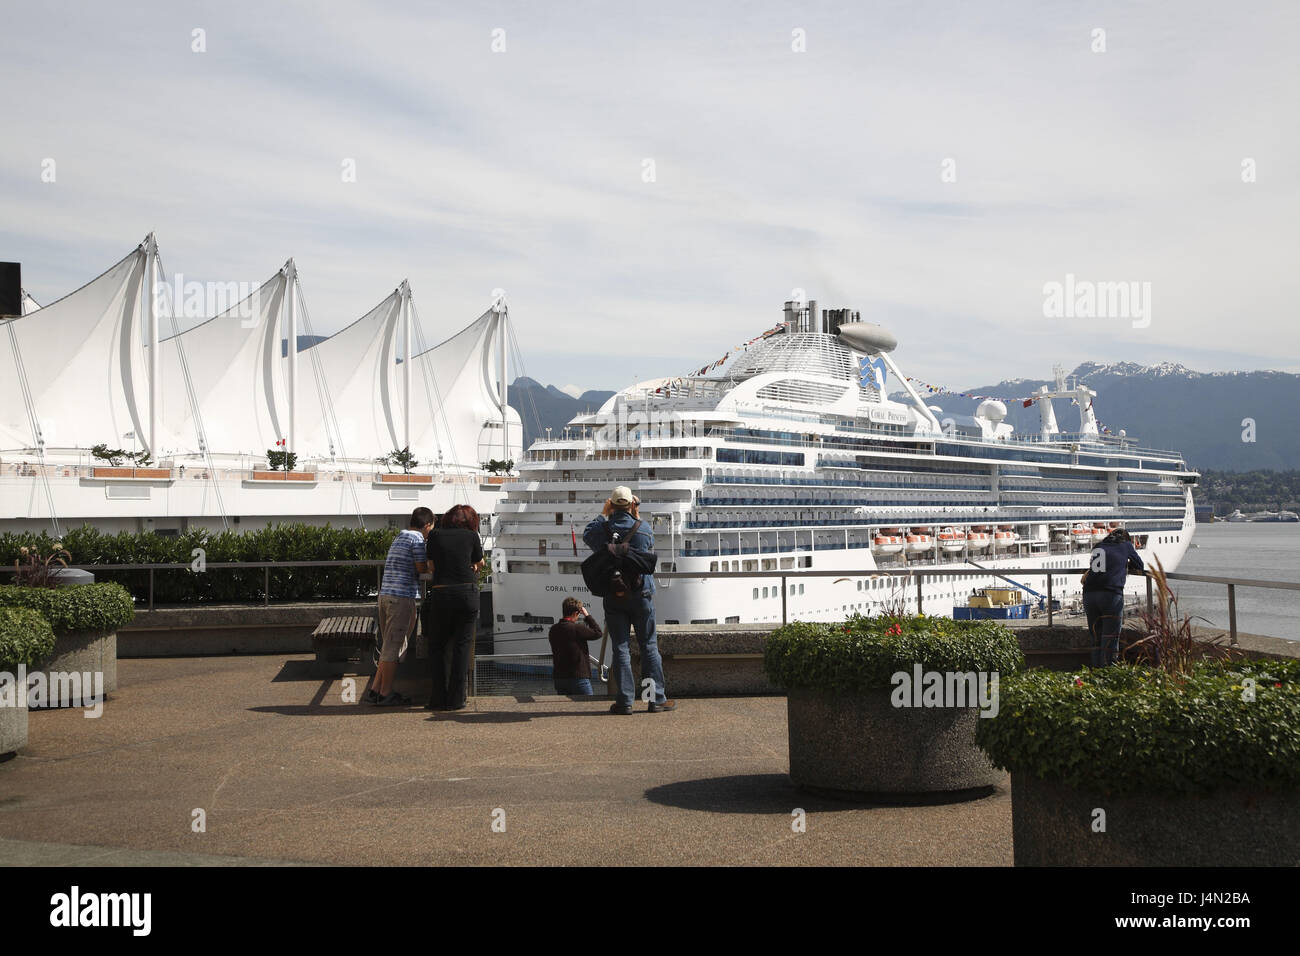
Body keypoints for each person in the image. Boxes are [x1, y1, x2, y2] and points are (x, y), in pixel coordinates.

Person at [583, 485, 674, 714]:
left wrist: (605, 513)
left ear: (612, 504)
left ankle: (625, 702)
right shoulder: (642, 528)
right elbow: (647, 546)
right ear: (632, 505)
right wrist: (636, 515)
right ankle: (654, 700)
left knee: (620, 648)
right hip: (641, 594)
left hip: (614, 596)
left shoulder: (602, 530)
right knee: (648, 646)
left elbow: (587, 535)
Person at [369, 507, 435, 706]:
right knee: (393, 646)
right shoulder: (416, 539)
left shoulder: (400, 536)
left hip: (385, 595)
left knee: (388, 643)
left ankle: (376, 689)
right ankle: (386, 693)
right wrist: (432, 565)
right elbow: (421, 568)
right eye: (431, 528)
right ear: (426, 525)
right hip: (401, 597)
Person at [424, 503, 484, 711]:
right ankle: (457, 699)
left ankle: (437, 698)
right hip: (467, 593)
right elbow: (480, 562)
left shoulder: (435, 535)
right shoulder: (471, 536)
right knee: (462, 647)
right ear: (470, 521)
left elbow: (431, 566)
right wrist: (473, 565)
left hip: (442, 593)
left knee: (437, 647)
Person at [1082, 528, 1145, 667]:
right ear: (1126, 539)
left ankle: (1095, 672)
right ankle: (1107, 673)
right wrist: (1125, 564)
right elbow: (1140, 565)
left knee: (1096, 637)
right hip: (1110, 594)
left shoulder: (1099, 546)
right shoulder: (1126, 545)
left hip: (1089, 594)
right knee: (1110, 638)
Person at [548, 598, 601, 695]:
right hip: (578, 678)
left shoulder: (553, 629)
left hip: (560, 678)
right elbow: (598, 633)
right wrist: (587, 616)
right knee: (588, 706)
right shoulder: (577, 628)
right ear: (576, 613)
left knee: (565, 708)